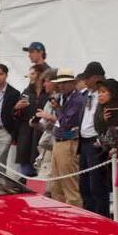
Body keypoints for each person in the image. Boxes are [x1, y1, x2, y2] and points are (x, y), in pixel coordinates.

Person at [47, 69, 83, 206]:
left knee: (70, 186)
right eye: (59, 83)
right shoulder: (63, 97)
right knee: (56, 185)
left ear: (73, 83)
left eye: (64, 83)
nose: (60, 86)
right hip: (59, 142)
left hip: (68, 143)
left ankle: (76, 216)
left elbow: (67, 122)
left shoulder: (77, 100)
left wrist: (57, 108)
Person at [77, 61, 108, 216]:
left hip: (96, 144)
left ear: (96, 78)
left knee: (97, 185)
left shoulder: (106, 95)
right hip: (84, 143)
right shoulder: (86, 95)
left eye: (87, 78)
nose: (85, 81)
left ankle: (101, 216)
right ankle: (90, 215)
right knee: (84, 185)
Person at [13, 64, 48, 176]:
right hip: (26, 133)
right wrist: (16, 108)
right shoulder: (26, 92)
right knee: (26, 169)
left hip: (41, 133)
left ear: (40, 75)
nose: (30, 76)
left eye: (33, 74)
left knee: (42, 167)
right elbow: (16, 115)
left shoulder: (48, 93)